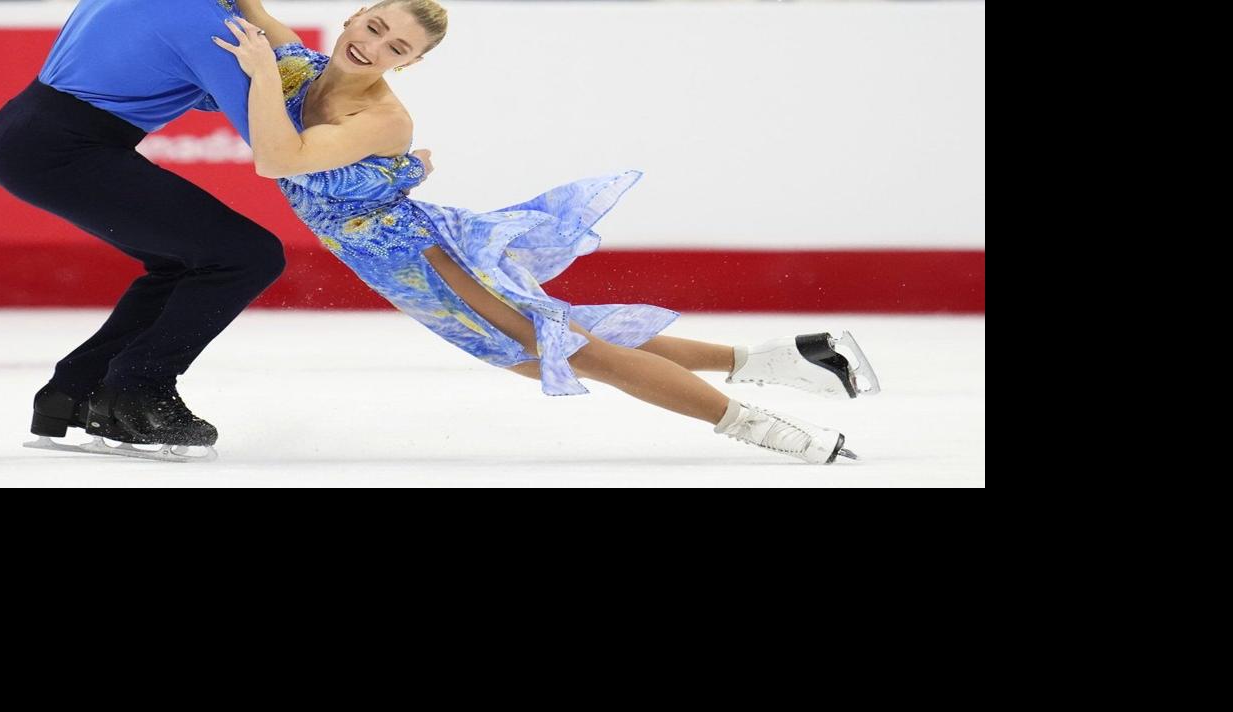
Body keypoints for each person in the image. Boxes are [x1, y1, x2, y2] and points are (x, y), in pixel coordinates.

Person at [218, 0, 880, 463]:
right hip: (401, 263)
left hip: (426, 258)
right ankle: (783, 361)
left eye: (398, 48)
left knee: (571, 352)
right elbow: (255, 10)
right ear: (357, 13)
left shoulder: (384, 118)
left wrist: (257, 80)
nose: (374, 45)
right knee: (556, 346)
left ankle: (770, 431)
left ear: (409, 63)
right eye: (376, 26)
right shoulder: (300, 66)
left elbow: (278, 158)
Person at [0, 0, 394, 461]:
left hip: (23, 131)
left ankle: (76, 391)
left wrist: (264, 71)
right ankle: (137, 393)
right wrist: (397, 168)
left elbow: (181, 79)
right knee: (248, 255)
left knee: (184, 261)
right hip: (64, 151)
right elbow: (277, 150)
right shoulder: (209, 27)